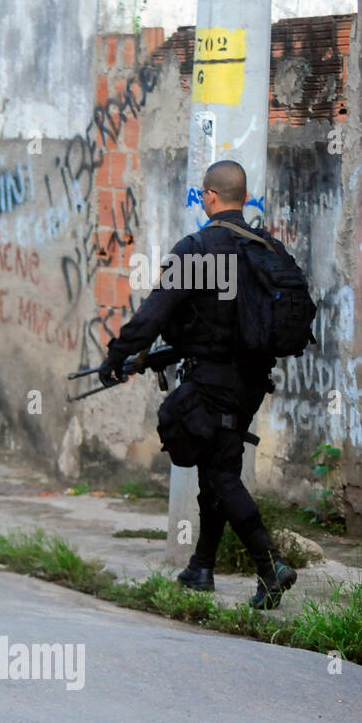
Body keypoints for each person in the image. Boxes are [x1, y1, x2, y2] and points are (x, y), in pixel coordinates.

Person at [99, 160, 299, 609]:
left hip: (212, 380)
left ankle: (271, 565)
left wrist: (117, 355)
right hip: (251, 381)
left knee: (221, 474)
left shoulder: (199, 250)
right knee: (217, 466)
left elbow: (155, 311)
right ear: (243, 198)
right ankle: (201, 567)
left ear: (209, 197)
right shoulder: (267, 249)